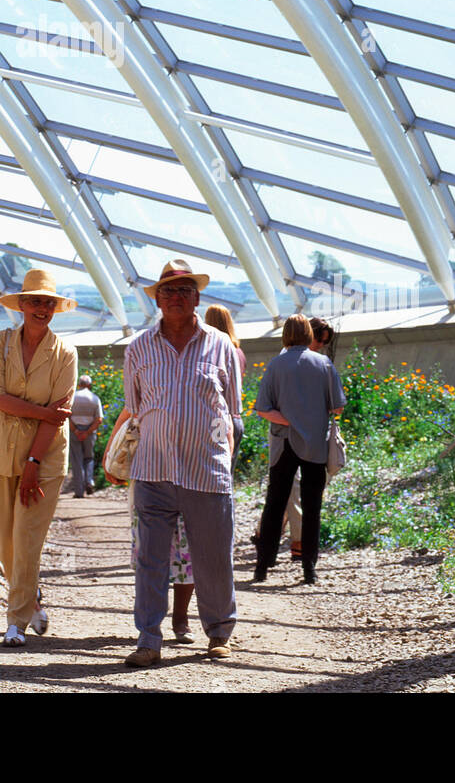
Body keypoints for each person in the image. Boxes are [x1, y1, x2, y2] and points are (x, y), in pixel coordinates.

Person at [123, 259, 241, 667]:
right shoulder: (138, 347)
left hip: (205, 470)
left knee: (212, 557)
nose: (176, 297)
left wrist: (224, 458)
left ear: (197, 298)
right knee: (150, 560)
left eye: (185, 290)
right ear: (156, 298)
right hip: (153, 469)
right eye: (168, 290)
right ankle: (148, 639)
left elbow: (233, 412)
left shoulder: (220, 345)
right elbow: (136, 408)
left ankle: (219, 632)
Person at [0, 268, 77, 647]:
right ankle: (32, 599)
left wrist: (34, 464)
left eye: (47, 303)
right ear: (21, 305)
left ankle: (15, 621)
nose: (41, 308)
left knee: (27, 536)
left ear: (55, 309)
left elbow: (59, 416)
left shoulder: (65, 353)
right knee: (3, 538)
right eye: (34, 301)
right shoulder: (0, 342)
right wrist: (43, 412)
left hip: (45, 453)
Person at [253, 314, 345, 586]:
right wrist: (311, 414)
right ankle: (309, 569)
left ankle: (262, 567)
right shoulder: (324, 364)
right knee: (312, 506)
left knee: (275, 504)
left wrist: (288, 419)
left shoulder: (275, 365)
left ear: (285, 335)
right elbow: (337, 406)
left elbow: (262, 409)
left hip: (283, 444)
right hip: (315, 443)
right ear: (308, 333)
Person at [104, 403, 198, 645]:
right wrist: (111, 453)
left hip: (191, 470)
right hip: (147, 472)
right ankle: (150, 624)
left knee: (187, 548)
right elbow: (128, 411)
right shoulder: (150, 369)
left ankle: (180, 619)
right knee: (150, 549)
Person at [203, 304, 247, 468]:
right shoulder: (238, 351)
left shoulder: (216, 352)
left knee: (215, 471)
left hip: (219, 420)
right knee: (226, 473)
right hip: (235, 419)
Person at [68, 375, 103, 497]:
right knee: (89, 458)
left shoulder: (73, 397)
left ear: (79, 385)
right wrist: (87, 432)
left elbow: (67, 415)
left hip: (74, 431)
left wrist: (77, 431)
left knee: (76, 460)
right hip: (90, 432)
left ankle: (78, 491)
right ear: (89, 385)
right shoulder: (95, 398)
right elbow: (99, 419)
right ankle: (89, 481)